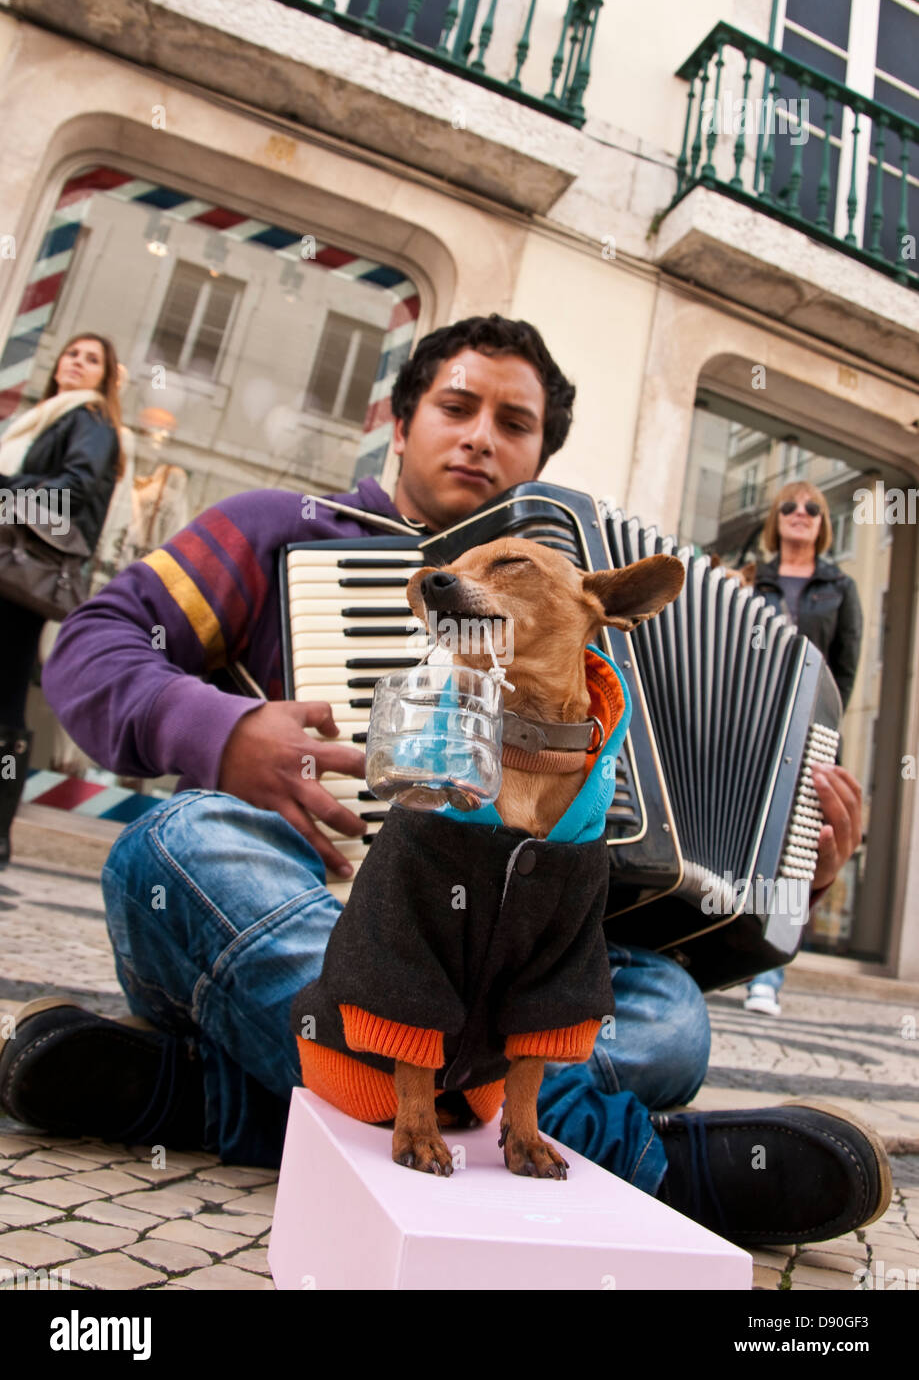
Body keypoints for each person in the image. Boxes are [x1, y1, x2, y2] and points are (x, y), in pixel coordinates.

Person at [0, 316, 888, 1249]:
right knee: (178, 845)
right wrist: (221, 731)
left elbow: (618, 924)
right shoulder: (276, 528)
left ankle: (196, 1097)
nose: (480, 436)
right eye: (456, 406)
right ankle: (638, 1163)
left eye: (514, 423)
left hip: (491, 970)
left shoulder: (567, 613)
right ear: (400, 419)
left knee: (668, 1018)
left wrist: (796, 869)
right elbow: (93, 647)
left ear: (541, 454)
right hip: (314, 913)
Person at [0, 332, 125, 866]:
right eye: (73, 353)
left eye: (92, 359)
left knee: (6, 696)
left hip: (19, 578)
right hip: (14, 571)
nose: (77, 362)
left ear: (105, 376)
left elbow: (73, 488)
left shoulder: (90, 420)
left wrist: (5, 488)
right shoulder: (51, 415)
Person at [744, 481, 863, 1018]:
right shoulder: (752, 579)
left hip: (807, 740)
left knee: (793, 855)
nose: (800, 513)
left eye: (812, 508)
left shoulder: (841, 588)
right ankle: (724, 950)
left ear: (822, 522)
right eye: (789, 505)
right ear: (776, 517)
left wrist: (823, 737)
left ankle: (767, 972)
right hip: (752, 731)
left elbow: (844, 674)